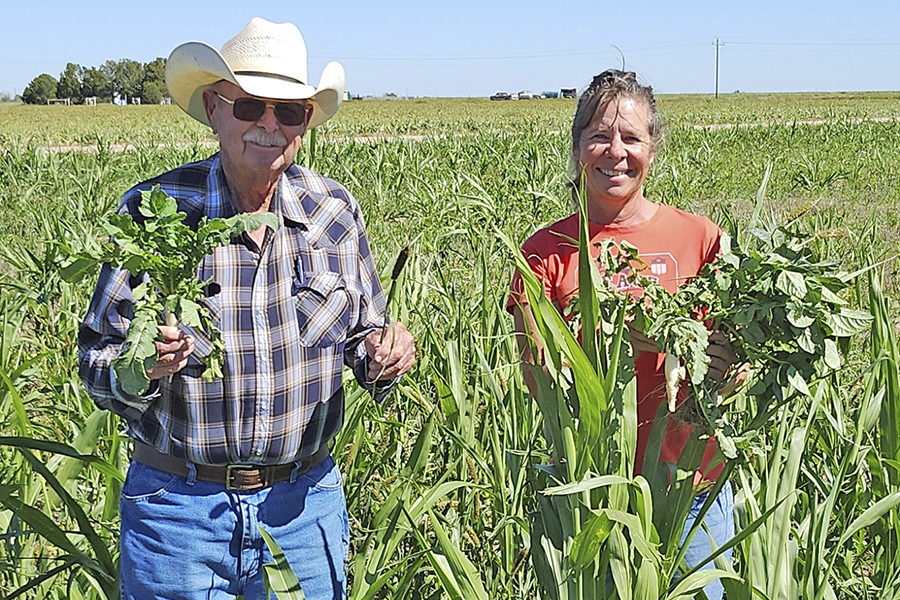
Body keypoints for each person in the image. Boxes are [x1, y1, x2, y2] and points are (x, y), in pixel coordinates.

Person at [77, 17, 415, 600]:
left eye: (289, 111)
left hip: (303, 509)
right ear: (214, 108)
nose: (268, 124)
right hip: (178, 510)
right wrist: (143, 369)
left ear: (305, 123)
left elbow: (365, 336)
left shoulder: (333, 212)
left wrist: (387, 354)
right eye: (251, 106)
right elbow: (95, 361)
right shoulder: (154, 214)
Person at [507, 70, 738, 600]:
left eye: (631, 137)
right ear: (577, 146)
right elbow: (538, 379)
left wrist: (722, 367)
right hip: (590, 494)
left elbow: (735, 360)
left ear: (653, 149)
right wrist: (611, 342)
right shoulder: (545, 251)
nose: (615, 152)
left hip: (690, 486)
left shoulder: (700, 237)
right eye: (600, 136)